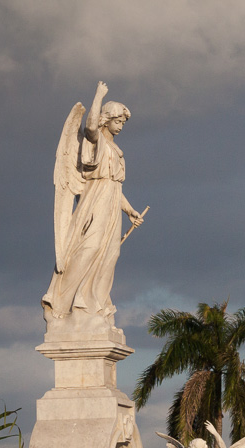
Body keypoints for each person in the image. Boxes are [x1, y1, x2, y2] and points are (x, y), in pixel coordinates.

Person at [45, 81, 144, 322]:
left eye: (122, 123)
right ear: (105, 119)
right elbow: (89, 127)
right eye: (116, 121)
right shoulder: (95, 141)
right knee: (88, 250)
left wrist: (129, 210)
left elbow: (114, 185)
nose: (120, 126)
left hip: (111, 205)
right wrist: (99, 96)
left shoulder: (116, 150)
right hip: (94, 204)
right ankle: (60, 303)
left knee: (110, 253)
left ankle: (94, 303)